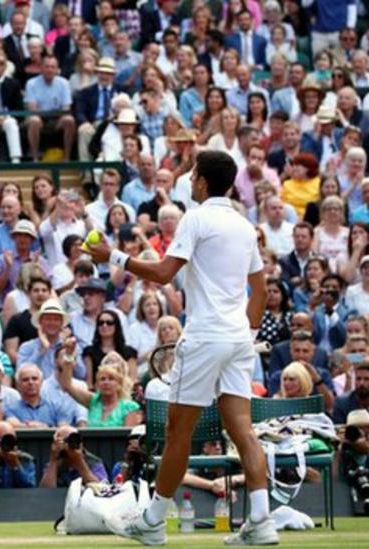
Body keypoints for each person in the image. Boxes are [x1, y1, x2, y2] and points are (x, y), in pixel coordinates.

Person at [86, 150, 278, 544]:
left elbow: (162, 273)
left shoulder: (196, 217)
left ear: (204, 182)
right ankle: (261, 522)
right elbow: (259, 290)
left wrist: (114, 256)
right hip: (238, 339)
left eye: (192, 175)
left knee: (178, 432)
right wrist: (244, 331)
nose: (188, 181)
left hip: (206, 337)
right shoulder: (244, 226)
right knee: (242, 430)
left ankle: (153, 523)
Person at [3, 364, 73, 428]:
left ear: (41, 382)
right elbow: (12, 424)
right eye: (25, 380)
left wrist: (46, 427)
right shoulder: (10, 407)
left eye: (34, 379)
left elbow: (64, 427)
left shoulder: (56, 405)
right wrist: (33, 426)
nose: (31, 382)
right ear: (18, 385)